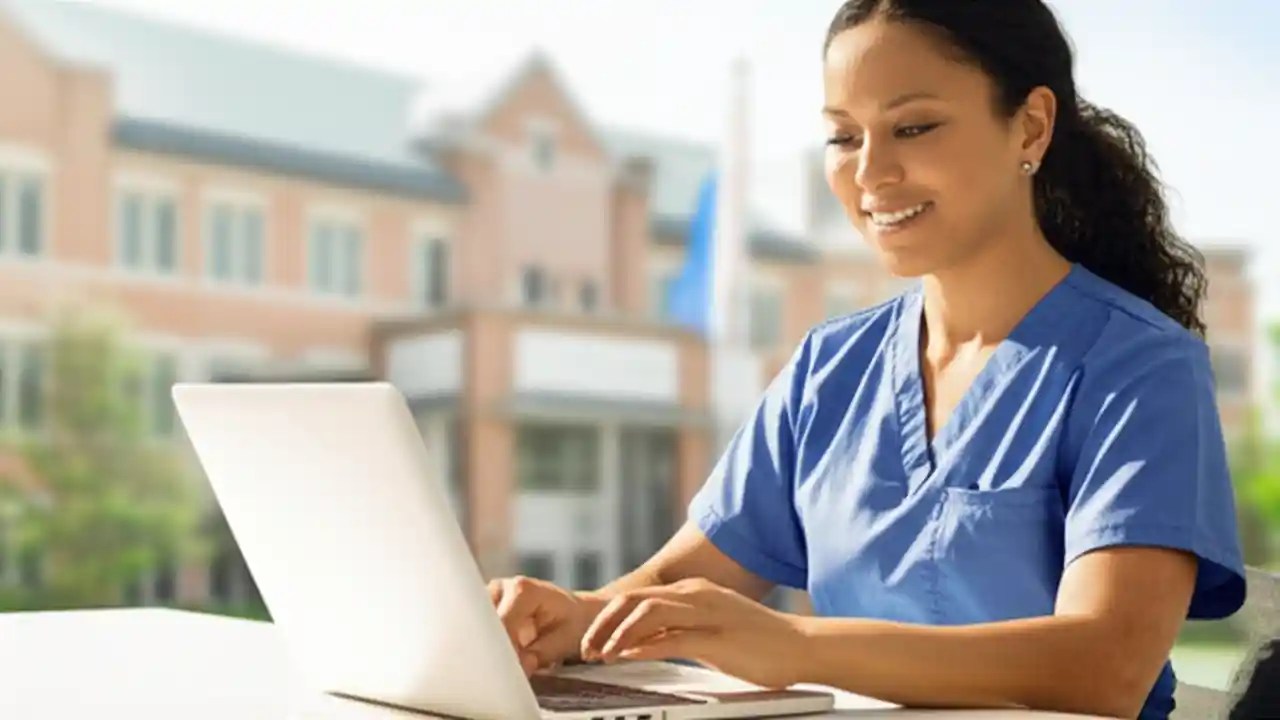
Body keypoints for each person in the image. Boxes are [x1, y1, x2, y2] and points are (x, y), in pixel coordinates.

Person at [487, 2, 1246, 718]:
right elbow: (687, 578)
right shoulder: (830, 368)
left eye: (914, 127)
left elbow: (1106, 665)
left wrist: (793, 647)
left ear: (1031, 128)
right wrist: (573, 619)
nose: (869, 172)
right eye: (844, 136)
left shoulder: (1141, 367)